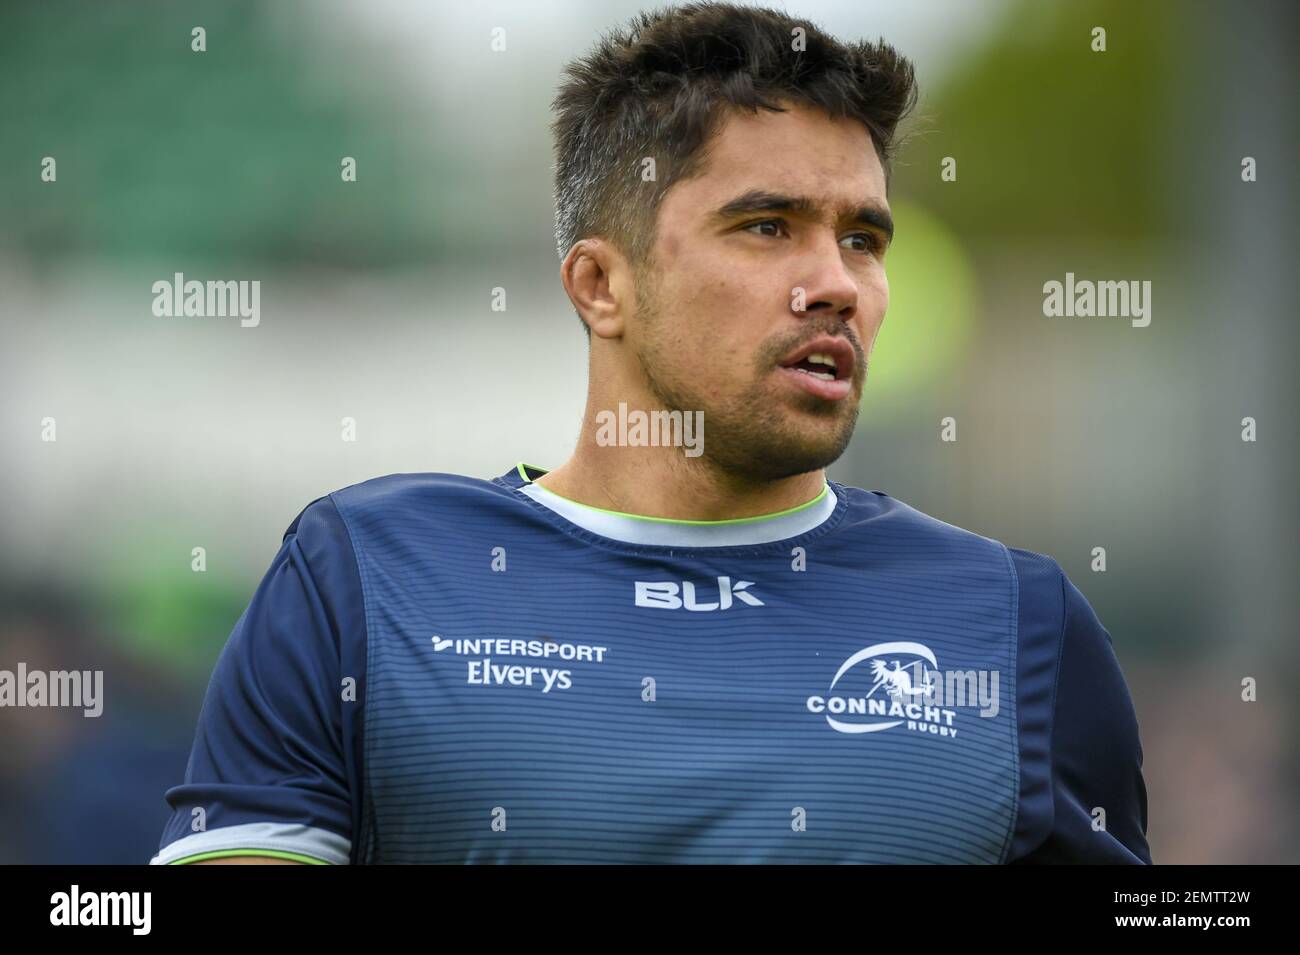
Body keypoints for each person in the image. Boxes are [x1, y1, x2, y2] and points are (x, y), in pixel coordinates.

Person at [152, 1, 1149, 865]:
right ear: (600, 285)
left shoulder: (1017, 622)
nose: (836, 284)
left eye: (862, 237)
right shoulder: (363, 581)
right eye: (766, 226)